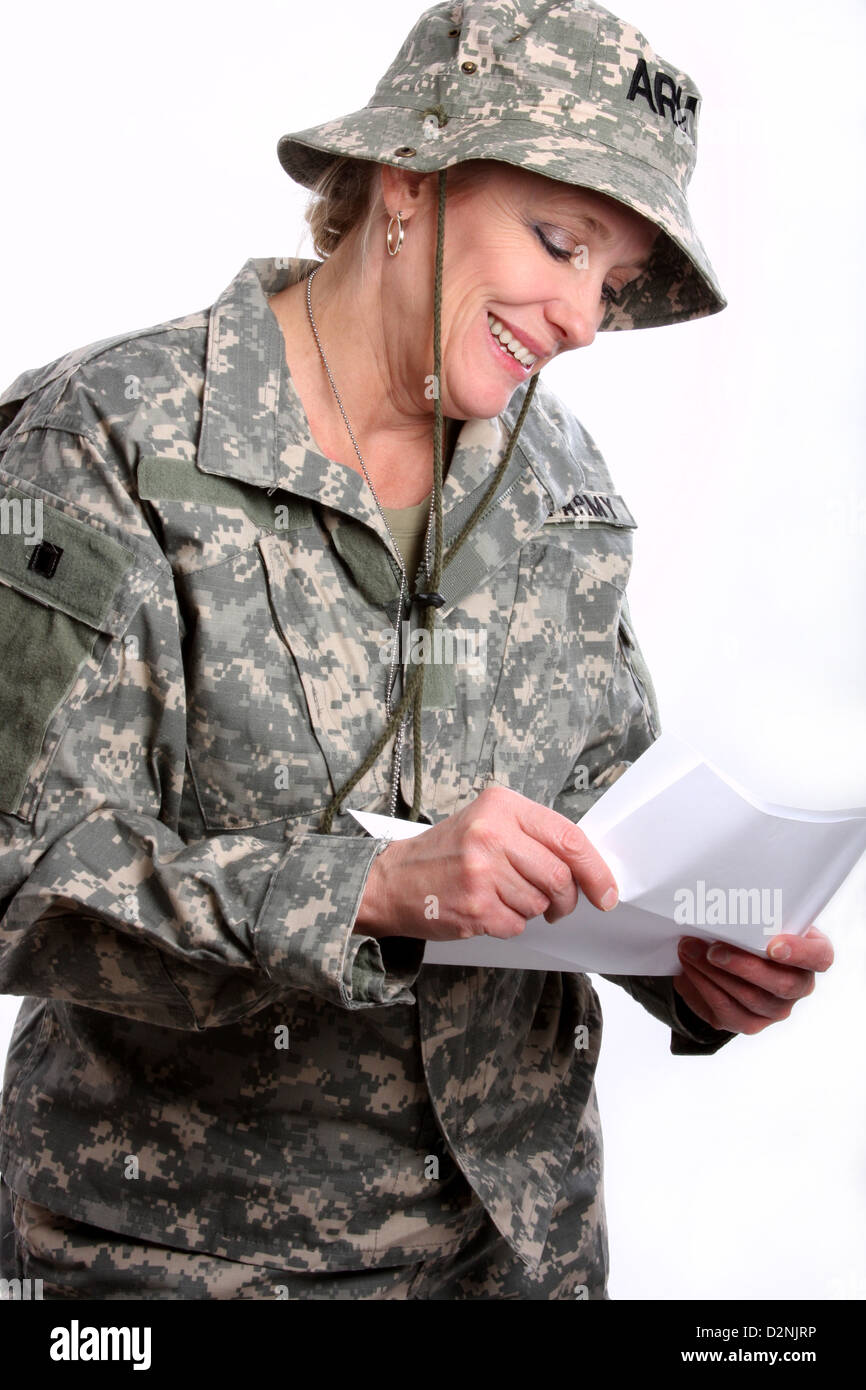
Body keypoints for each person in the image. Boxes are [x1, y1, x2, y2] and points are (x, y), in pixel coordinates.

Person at [0, 0, 833, 1300]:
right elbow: (13, 862)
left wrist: (692, 956)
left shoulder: (558, 481)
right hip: (183, 1267)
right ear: (406, 179)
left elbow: (609, 822)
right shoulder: (97, 443)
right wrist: (365, 895)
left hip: (522, 1253)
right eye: (556, 243)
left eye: (609, 286)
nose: (575, 318)